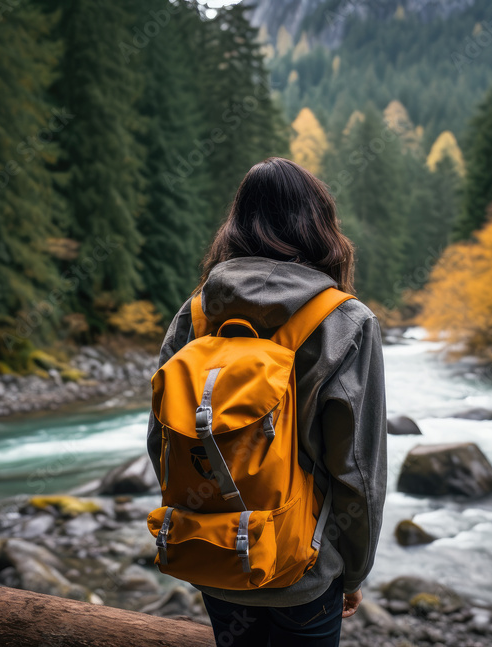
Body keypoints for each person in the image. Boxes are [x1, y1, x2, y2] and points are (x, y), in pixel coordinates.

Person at [146, 156, 387, 647]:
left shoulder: (195, 315)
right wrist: (354, 571)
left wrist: (204, 518)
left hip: (214, 555)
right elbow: (358, 471)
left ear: (236, 225)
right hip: (305, 571)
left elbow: (162, 442)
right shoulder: (346, 321)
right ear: (319, 226)